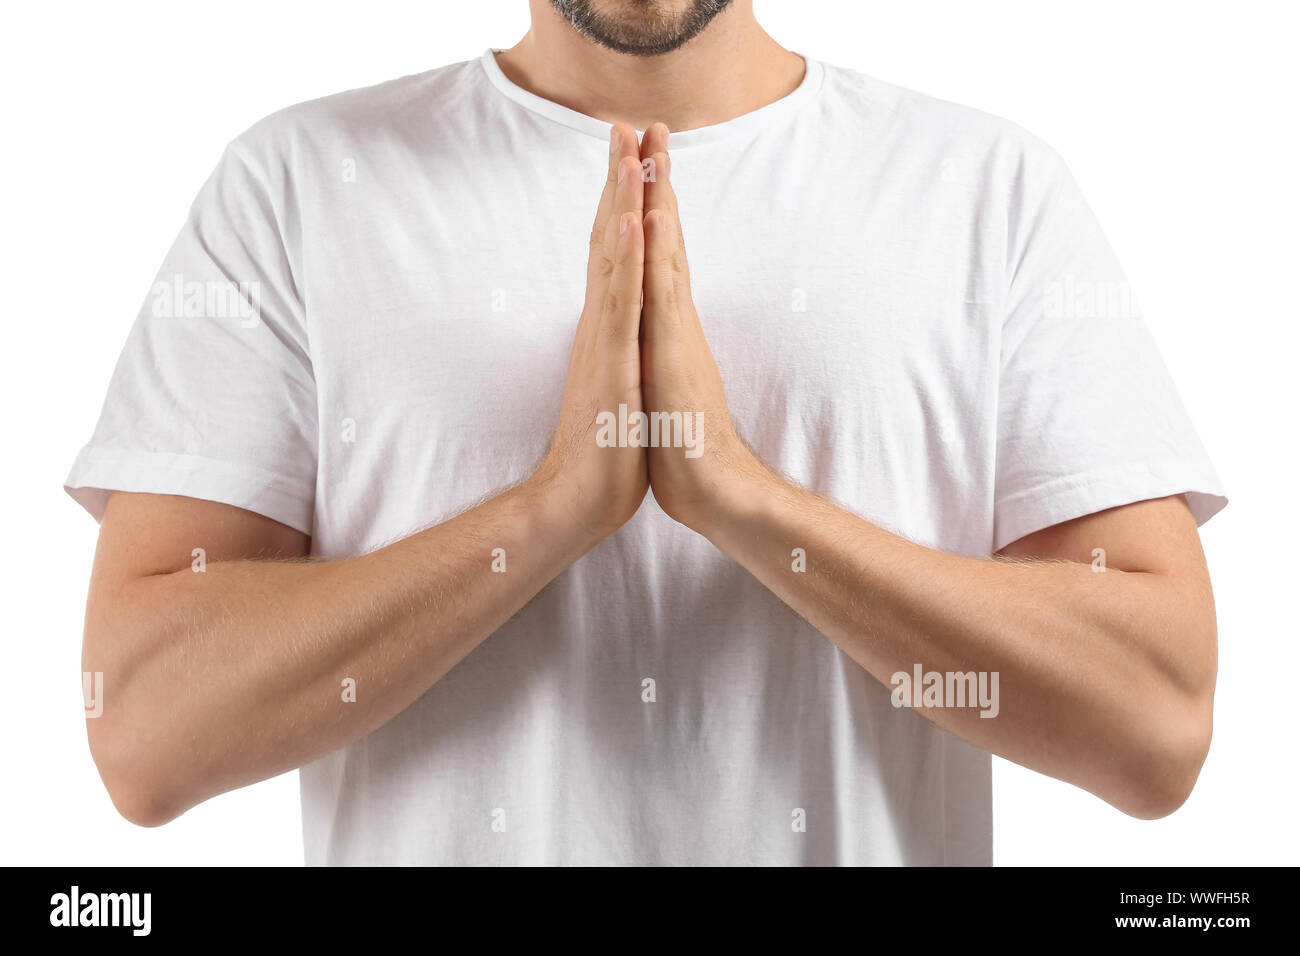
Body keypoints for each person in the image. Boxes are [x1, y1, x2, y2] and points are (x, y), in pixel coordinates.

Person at [66, 0, 1226, 865]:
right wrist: (547, 514)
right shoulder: (300, 183)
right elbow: (146, 730)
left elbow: (1155, 723)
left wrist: (745, 502)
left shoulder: (986, 191)